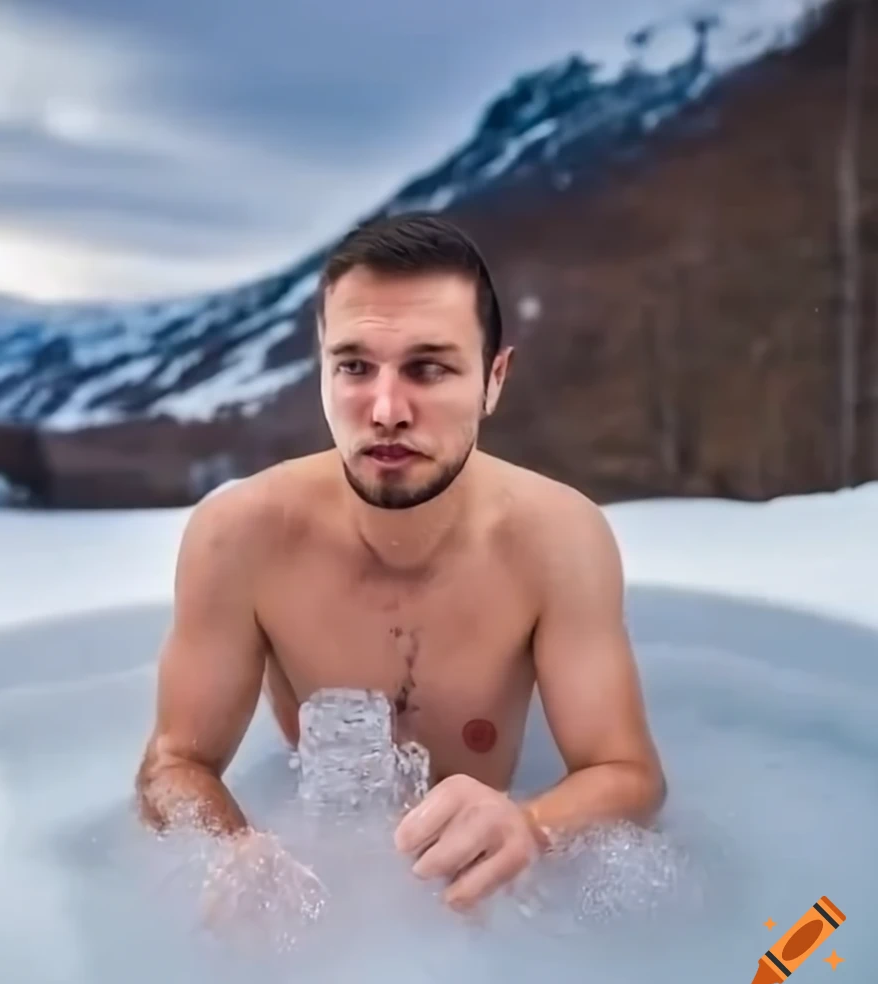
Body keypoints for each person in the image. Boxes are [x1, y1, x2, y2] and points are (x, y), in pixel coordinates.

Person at [135, 212, 666, 917]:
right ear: (321, 366)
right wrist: (230, 852)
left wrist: (533, 825)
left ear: (493, 378)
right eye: (354, 366)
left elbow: (627, 774)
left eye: (429, 368)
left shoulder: (556, 539)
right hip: (320, 883)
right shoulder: (242, 536)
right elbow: (174, 765)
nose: (386, 409)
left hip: (475, 902)